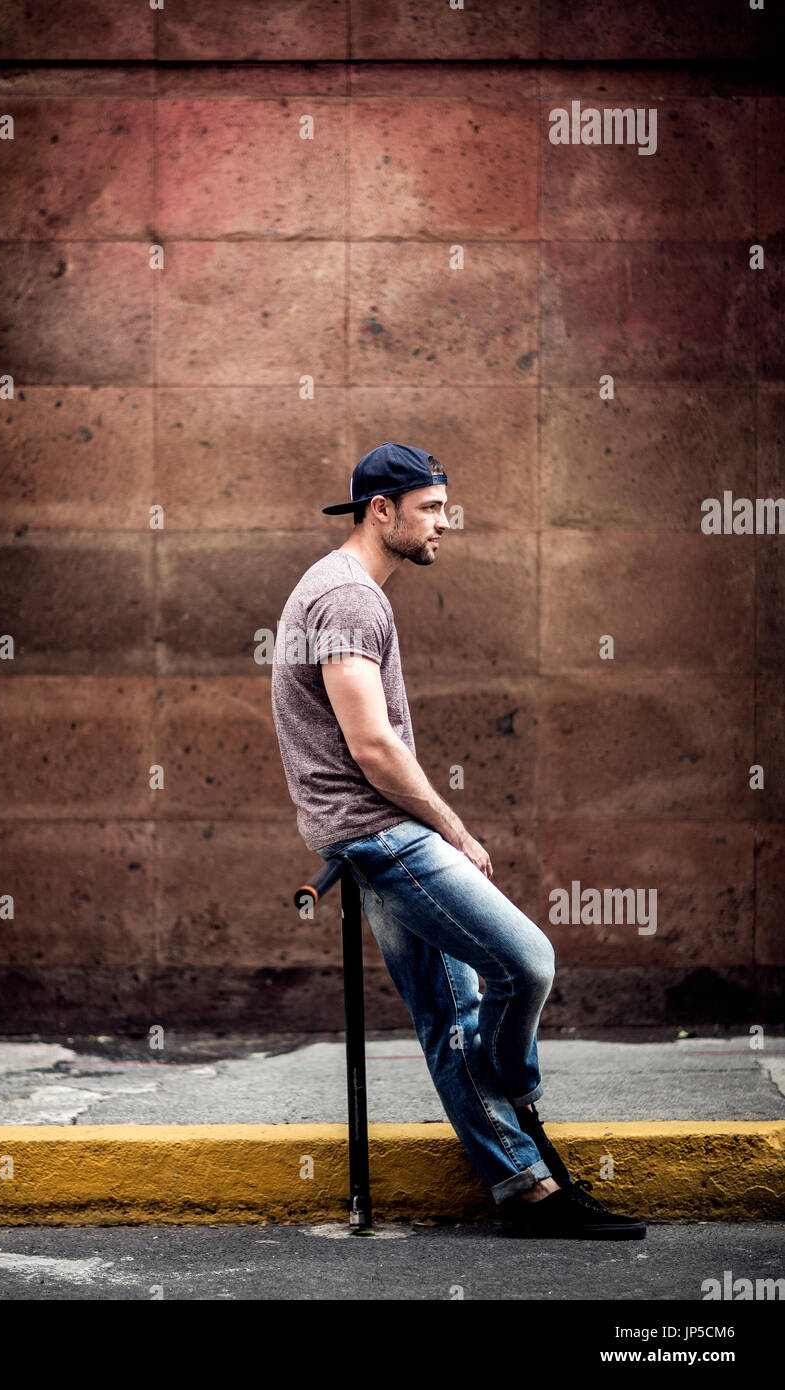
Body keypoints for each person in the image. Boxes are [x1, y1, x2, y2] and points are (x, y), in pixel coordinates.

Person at [270, 442, 646, 1239]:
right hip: (381, 836)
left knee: (450, 1016)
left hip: (368, 834)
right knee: (525, 962)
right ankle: (519, 1091)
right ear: (383, 510)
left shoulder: (342, 589)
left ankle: (525, 1190)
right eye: (431, 507)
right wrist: (454, 828)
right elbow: (370, 745)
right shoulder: (348, 600)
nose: (445, 522)